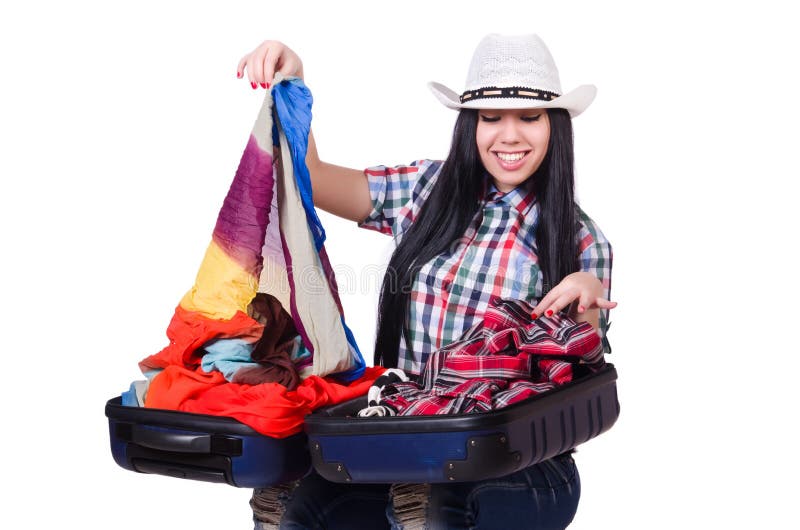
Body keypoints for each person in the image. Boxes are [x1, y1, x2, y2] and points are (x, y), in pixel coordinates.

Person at [238, 33, 616, 530]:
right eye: (490, 117)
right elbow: (312, 176)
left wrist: (585, 298)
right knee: (299, 513)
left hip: (519, 461)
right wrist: (295, 83)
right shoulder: (423, 190)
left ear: (555, 125)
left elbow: (581, 360)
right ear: (469, 124)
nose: (509, 136)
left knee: (434, 512)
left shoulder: (581, 241)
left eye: (530, 117)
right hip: (400, 443)